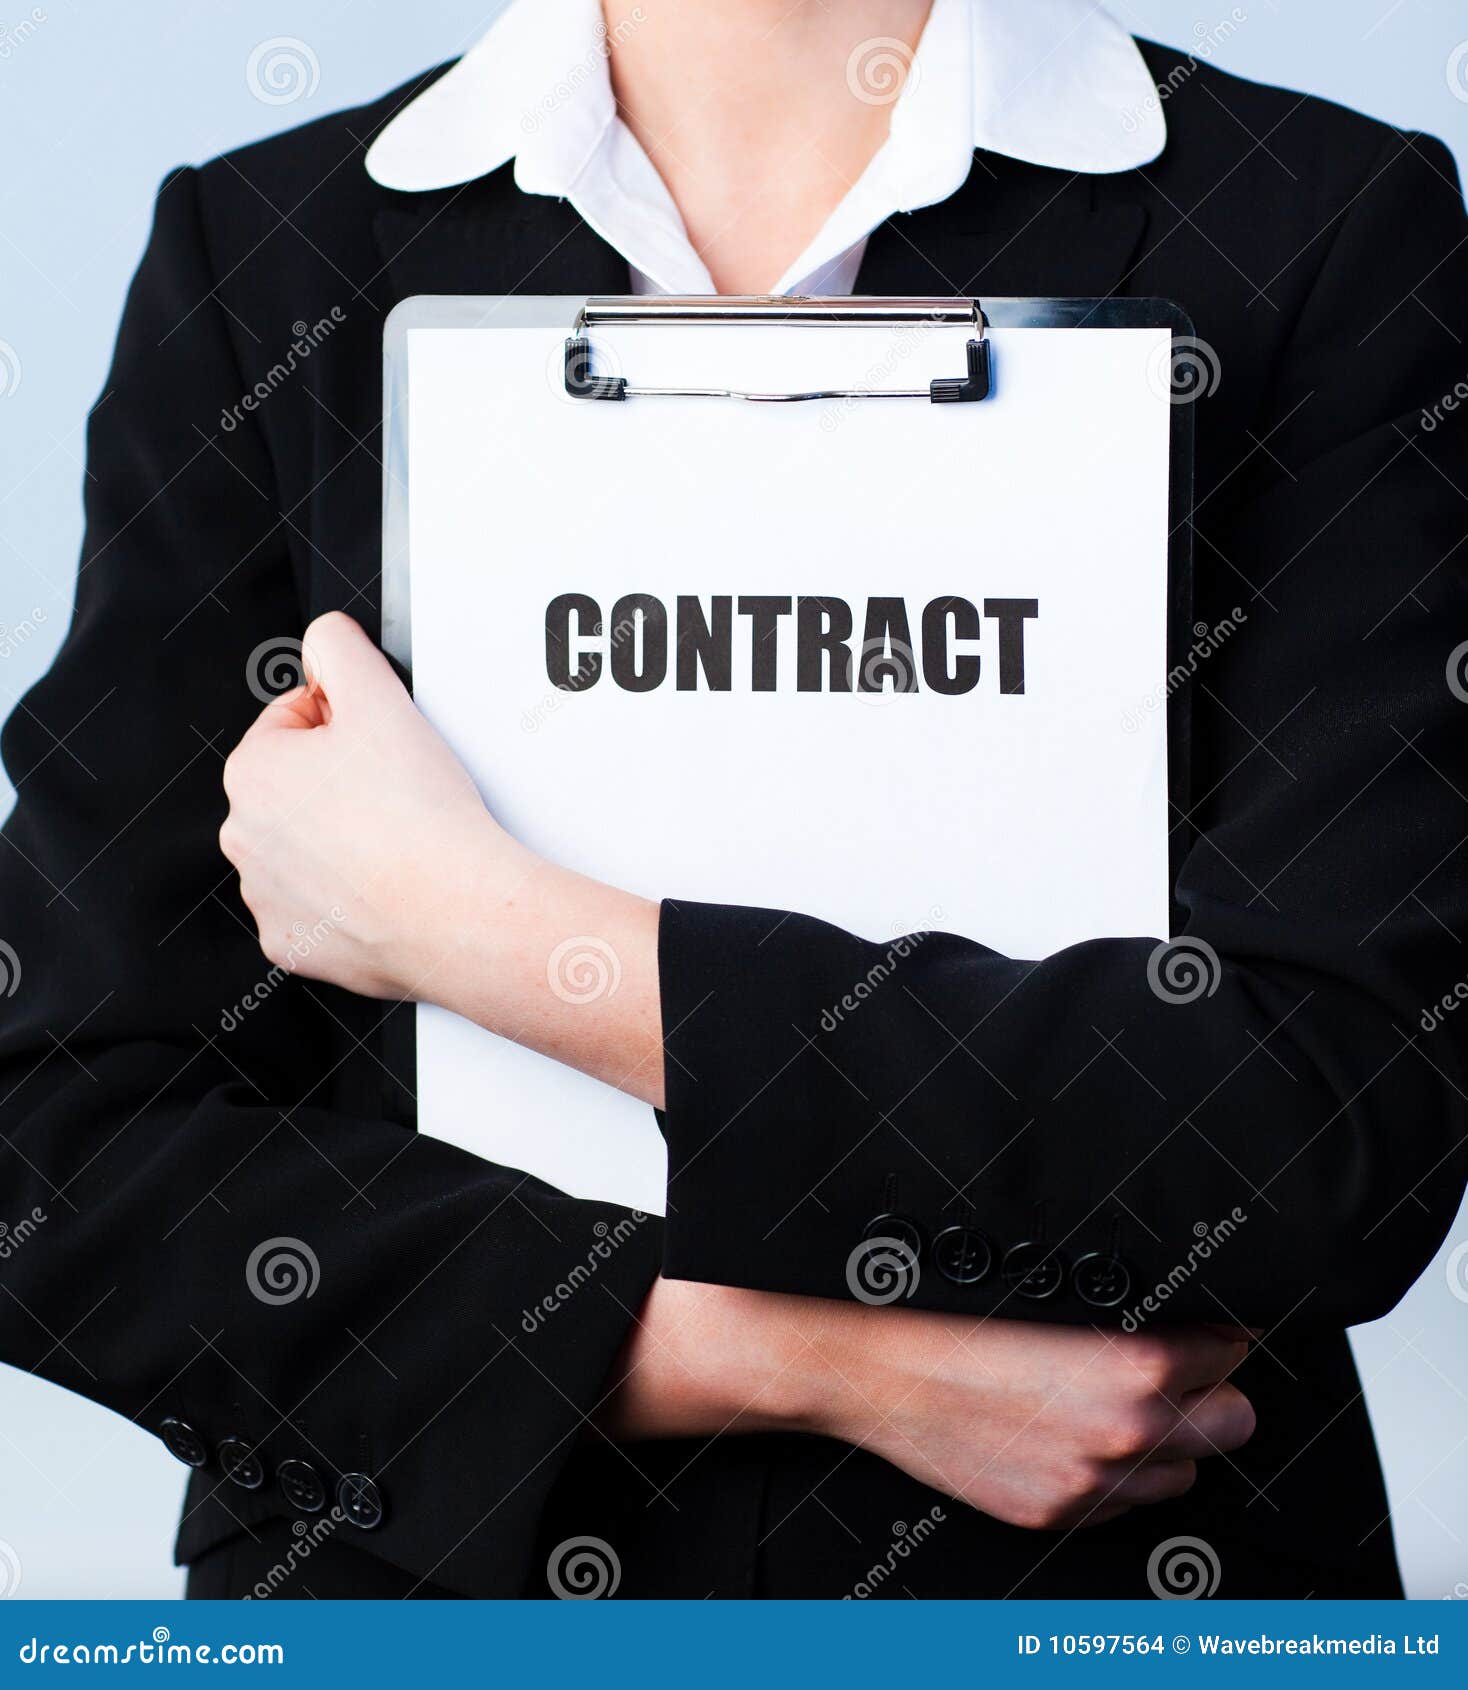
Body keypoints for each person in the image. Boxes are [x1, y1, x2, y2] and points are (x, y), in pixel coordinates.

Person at [1, 0, 1464, 1600]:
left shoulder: (1324, 224)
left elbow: (1340, 1115)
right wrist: (784, 1353)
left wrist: (484, 929)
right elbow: (56, 1140)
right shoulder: (269, 254)